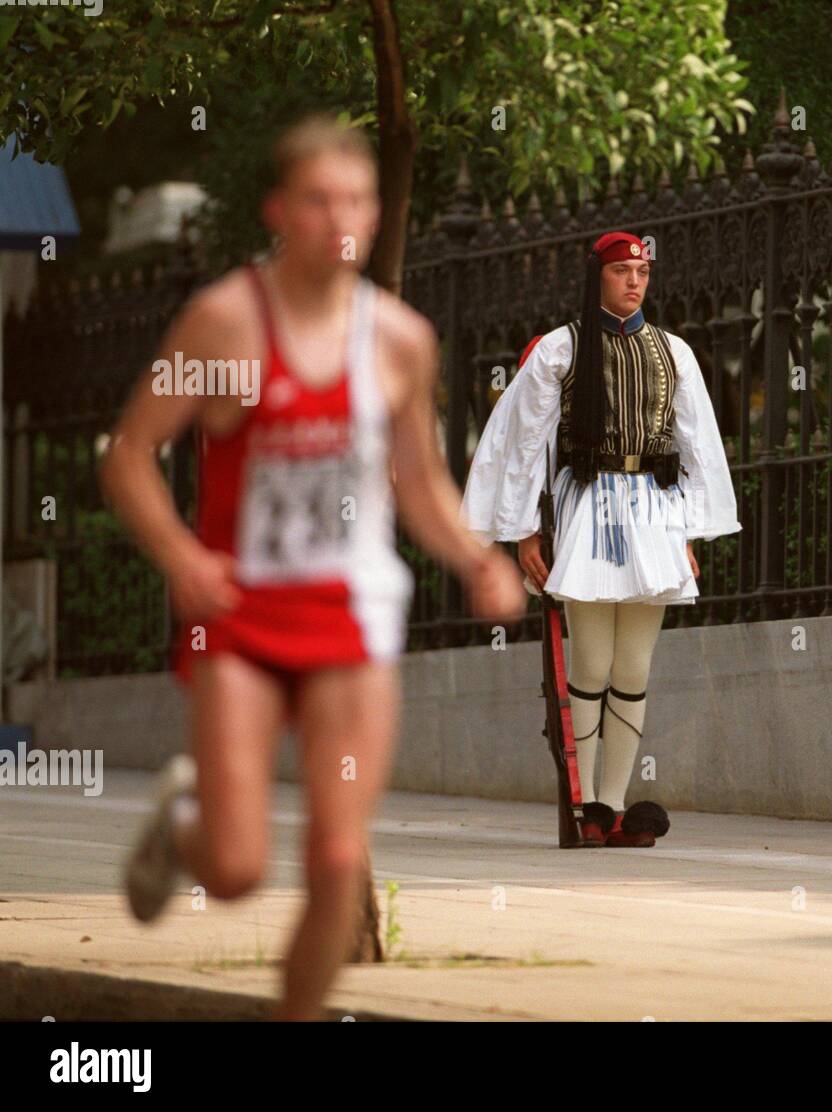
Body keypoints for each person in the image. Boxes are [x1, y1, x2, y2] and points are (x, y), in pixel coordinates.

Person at [99, 114, 524, 1020]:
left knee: (336, 858)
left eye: (358, 199)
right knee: (240, 867)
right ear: (279, 211)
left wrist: (476, 558)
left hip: (351, 619)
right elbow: (129, 455)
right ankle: (185, 827)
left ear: (376, 215)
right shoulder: (222, 324)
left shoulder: (400, 340)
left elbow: (417, 482)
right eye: (321, 199)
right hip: (241, 617)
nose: (342, 217)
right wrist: (180, 556)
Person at [461, 231, 740, 847]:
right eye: (621, 271)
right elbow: (524, 440)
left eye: (641, 270)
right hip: (588, 506)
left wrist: (690, 530)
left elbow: (698, 446)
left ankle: (609, 806)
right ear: (598, 278)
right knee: (590, 658)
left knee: (635, 664)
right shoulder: (562, 349)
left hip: (654, 514)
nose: (634, 280)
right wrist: (525, 531)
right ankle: (584, 798)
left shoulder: (675, 352)